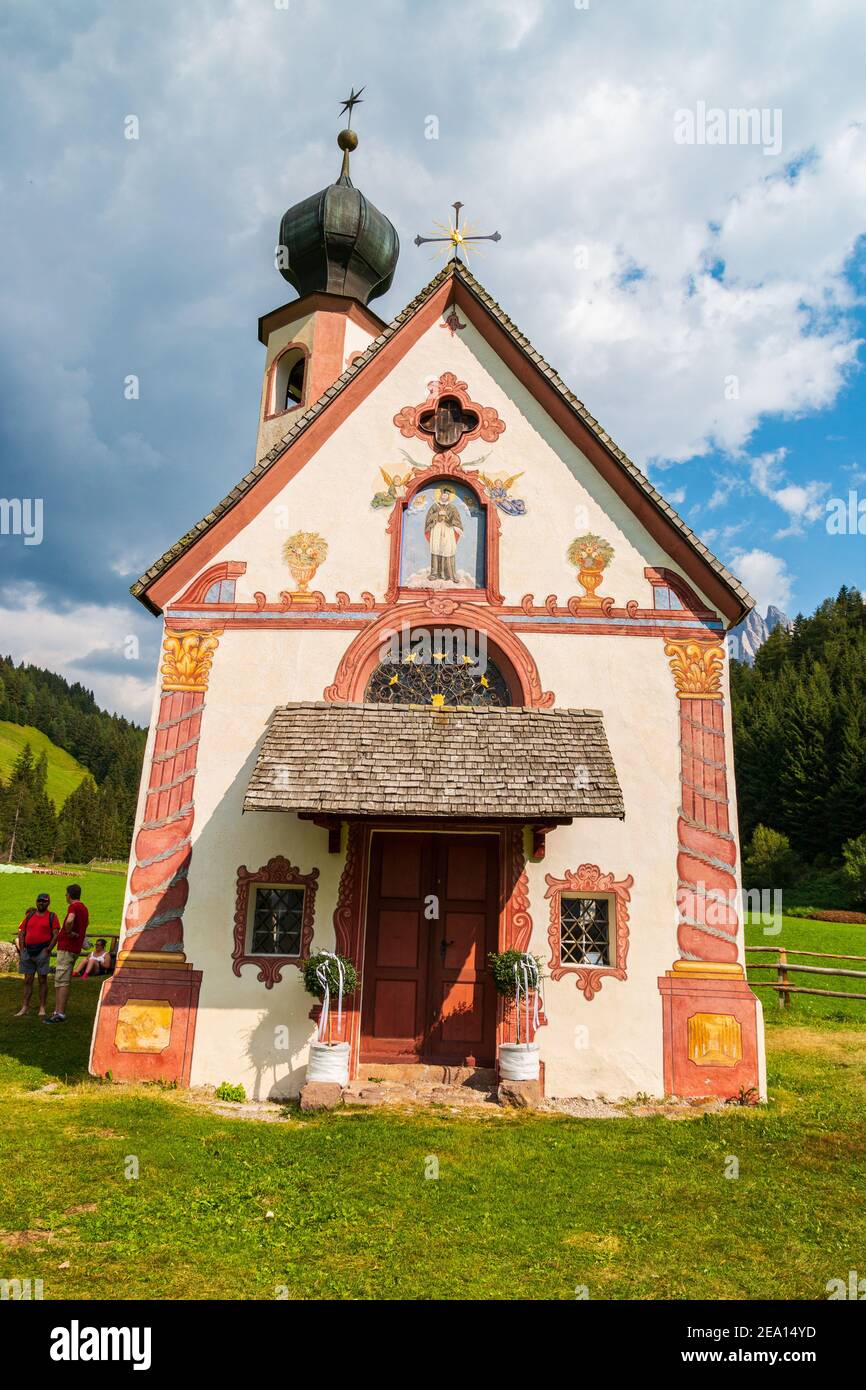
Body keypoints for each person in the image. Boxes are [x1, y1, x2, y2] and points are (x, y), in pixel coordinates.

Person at [44, 884, 89, 1025]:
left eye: (66, 894)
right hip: (74, 949)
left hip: (67, 948)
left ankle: (60, 1013)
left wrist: (69, 932)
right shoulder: (84, 909)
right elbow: (85, 924)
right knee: (64, 979)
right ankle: (58, 1011)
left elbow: (69, 920)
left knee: (61, 980)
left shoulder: (74, 907)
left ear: (69, 895)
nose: (65, 896)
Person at [15, 893, 61, 1017]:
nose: (41, 903)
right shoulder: (30, 915)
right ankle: (25, 1007)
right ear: (36, 902)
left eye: (44, 901)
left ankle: (42, 1007)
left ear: (48, 903)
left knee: (42, 980)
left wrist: (49, 949)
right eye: (39, 901)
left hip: (42, 951)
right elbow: (21, 932)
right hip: (28, 952)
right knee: (27, 980)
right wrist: (23, 948)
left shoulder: (52, 916)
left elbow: (56, 934)